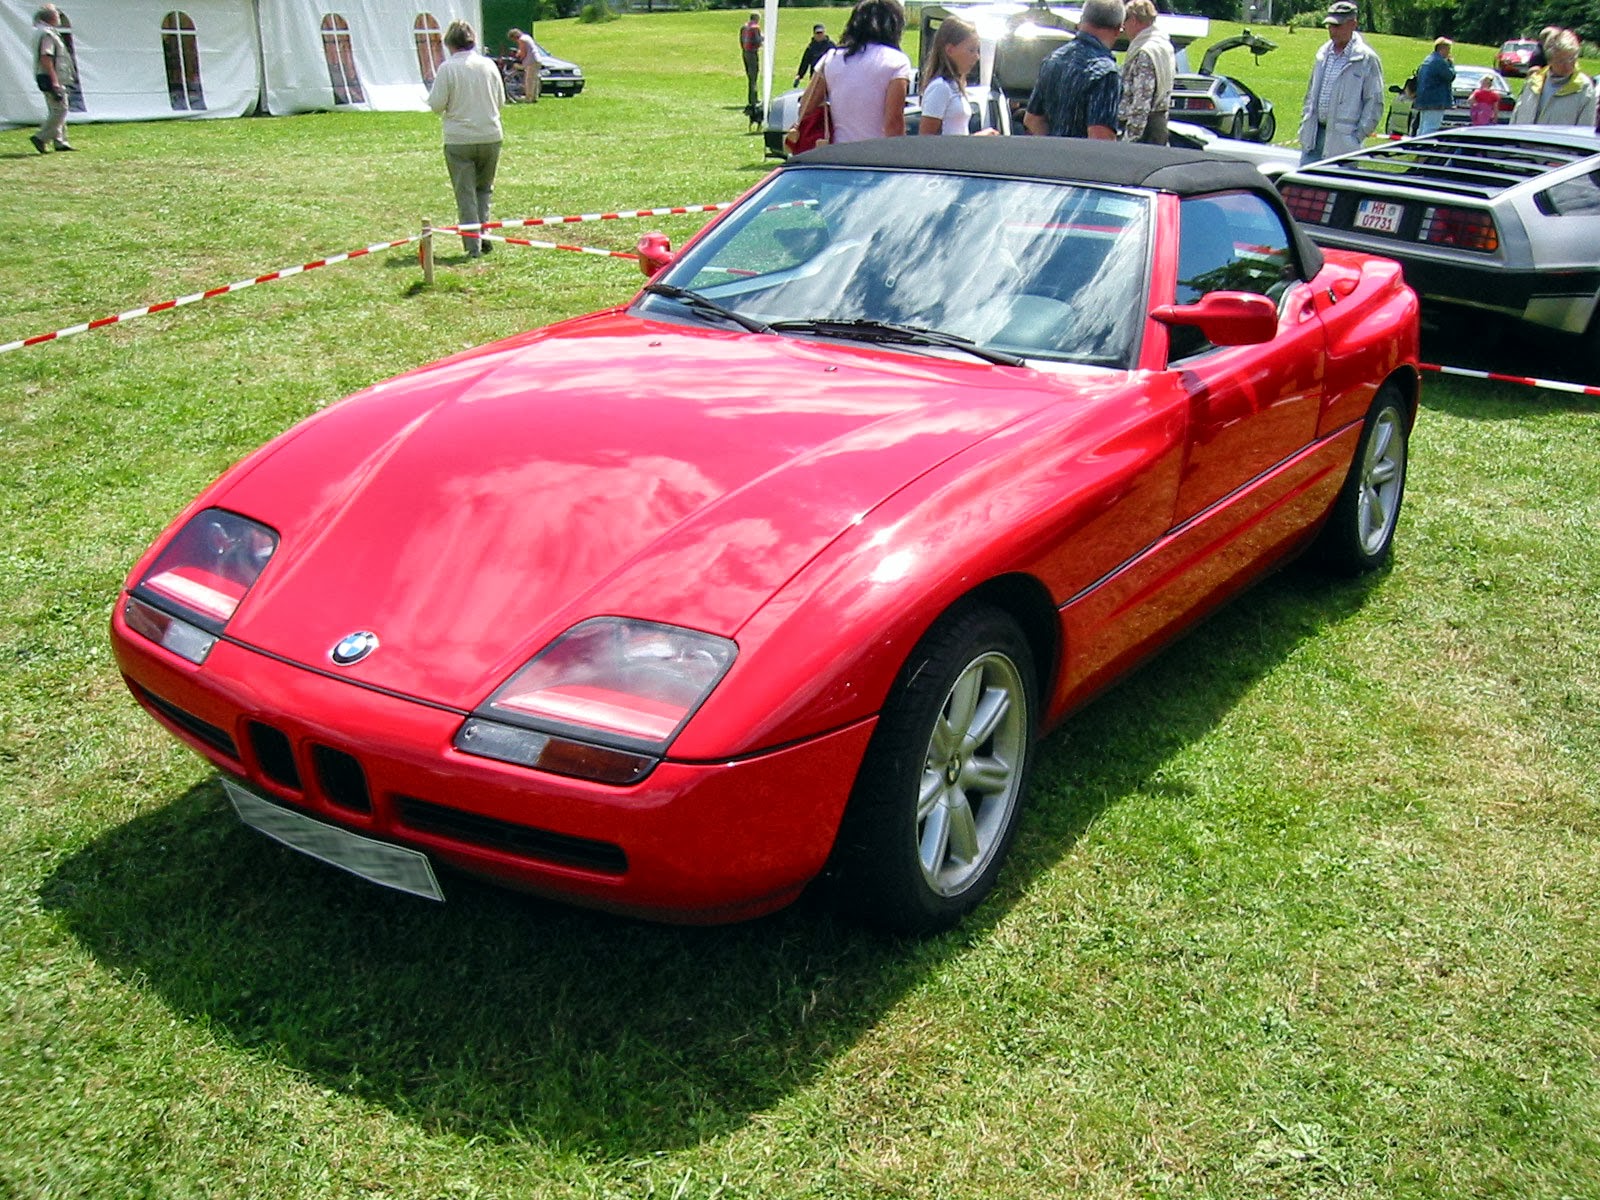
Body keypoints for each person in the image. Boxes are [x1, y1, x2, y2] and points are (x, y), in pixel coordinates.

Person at [427, 21, 506, 258]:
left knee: (465, 194)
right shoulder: (489, 65)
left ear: (449, 43)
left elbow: (436, 105)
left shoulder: (447, 68)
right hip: (490, 135)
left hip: (459, 139)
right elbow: (500, 100)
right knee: (484, 190)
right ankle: (484, 234)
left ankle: (473, 245)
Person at [793, 0, 913, 145]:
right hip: (876, 155)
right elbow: (893, 123)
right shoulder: (897, 61)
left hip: (838, 154)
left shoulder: (831, 58)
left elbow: (806, 107)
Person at [1297, 0, 1384, 166]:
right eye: (1329, 26)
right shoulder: (1322, 54)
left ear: (1353, 24)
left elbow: (1374, 103)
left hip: (1344, 143)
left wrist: (1357, 136)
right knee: (1307, 188)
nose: (1332, 30)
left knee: (1338, 190)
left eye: (1337, 26)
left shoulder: (1366, 59)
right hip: (1313, 138)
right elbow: (1309, 94)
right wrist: (1305, 121)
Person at [1023, 0, 1125, 139]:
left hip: (1051, 157)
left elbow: (1032, 120)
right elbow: (1101, 138)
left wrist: (1057, 147)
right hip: (1083, 159)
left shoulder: (1053, 60)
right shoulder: (1106, 74)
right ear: (1118, 29)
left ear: (1082, 20)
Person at [1117, 0, 1175, 144]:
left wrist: (1129, 140)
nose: (1123, 26)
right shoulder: (1163, 46)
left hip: (1144, 132)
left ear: (1135, 20)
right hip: (1159, 124)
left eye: (1126, 20)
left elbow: (1141, 102)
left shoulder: (1146, 52)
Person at [1510, 29, 1596, 127]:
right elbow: (1515, 119)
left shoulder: (1584, 87)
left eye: (1572, 59)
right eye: (1561, 61)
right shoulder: (1533, 82)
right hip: (1525, 140)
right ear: (1549, 60)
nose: (1568, 65)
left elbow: (1585, 129)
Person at [918, 16, 980, 135]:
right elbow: (925, 140)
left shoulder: (954, 86)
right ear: (950, 50)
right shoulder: (940, 87)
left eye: (977, 50)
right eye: (971, 50)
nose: (977, 57)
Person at [29, 4, 74, 154]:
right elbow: (46, 57)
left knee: (56, 108)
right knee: (61, 109)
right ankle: (41, 137)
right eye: (57, 14)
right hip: (51, 76)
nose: (59, 17)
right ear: (51, 17)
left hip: (46, 75)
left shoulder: (40, 31)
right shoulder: (47, 34)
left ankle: (60, 141)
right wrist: (54, 82)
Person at [1412, 37, 1455, 135]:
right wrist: (1450, 64)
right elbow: (1450, 76)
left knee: (1422, 126)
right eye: (1448, 49)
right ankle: (1425, 147)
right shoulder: (1439, 62)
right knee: (1431, 127)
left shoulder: (1427, 60)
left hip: (1424, 98)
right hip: (1435, 100)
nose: (1449, 52)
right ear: (1442, 49)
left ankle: (1418, 145)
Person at [739, 13, 763, 114]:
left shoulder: (744, 27)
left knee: (750, 76)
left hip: (745, 53)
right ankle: (753, 99)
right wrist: (763, 39)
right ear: (757, 19)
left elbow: (740, 40)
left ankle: (752, 98)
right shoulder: (756, 28)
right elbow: (758, 41)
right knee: (754, 77)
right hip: (752, 53)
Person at [508, 28, 539, 103]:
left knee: (529, 80)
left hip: (531, 61)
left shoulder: (522, 40)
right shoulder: (527, 37)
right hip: (536, 59)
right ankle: (534, 97)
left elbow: (523, 53)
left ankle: (528, 98)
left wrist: (518, 58)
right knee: (534, 80)